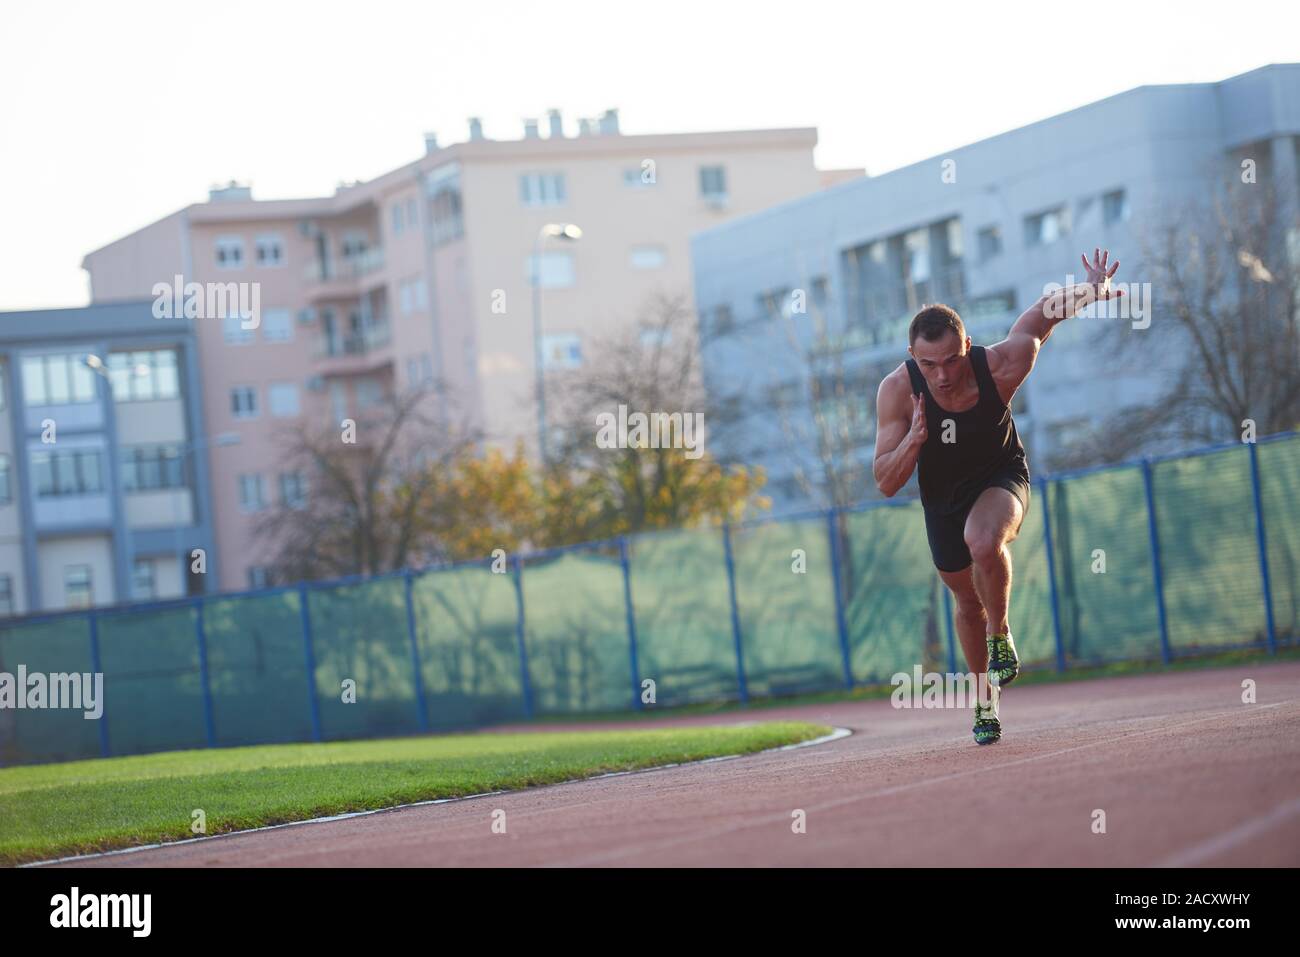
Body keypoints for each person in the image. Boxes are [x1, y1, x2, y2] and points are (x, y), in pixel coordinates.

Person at [872, 249, 1123, 744]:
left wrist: (1090, 291)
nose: (942, 375)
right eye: (929, 365)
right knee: (967, 602)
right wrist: (915, 439)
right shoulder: (898, 391)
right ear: (913, 358)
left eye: (951, 360)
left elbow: (1039, 315)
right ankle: (985, 702)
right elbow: (884, 480)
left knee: (983, 541)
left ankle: (1001, 634)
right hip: (942, 498)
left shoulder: (1001, 366)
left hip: (1000, 477)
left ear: (967, 344)